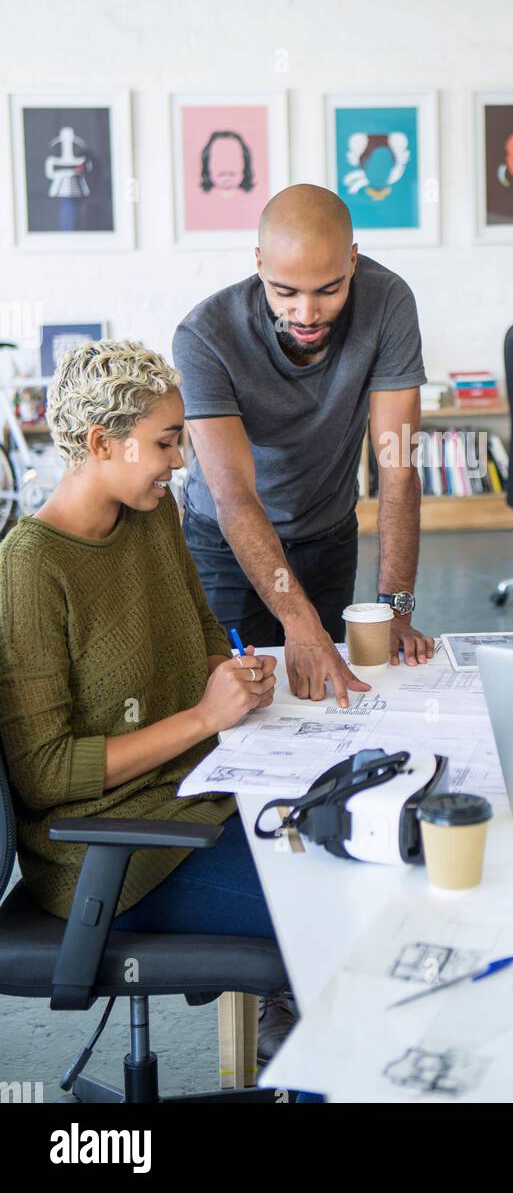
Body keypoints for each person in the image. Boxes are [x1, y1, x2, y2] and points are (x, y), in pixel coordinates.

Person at [0, 340, 296, 1061]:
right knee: (325, 918)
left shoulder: (152, 515)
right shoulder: (30, 569)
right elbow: (44, 773)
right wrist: (203, 717)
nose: (179, 461)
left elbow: (200, 635)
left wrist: (235, 675)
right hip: (112, 855)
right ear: (103, 443)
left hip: (201, 793)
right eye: (166, 442)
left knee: (352, 856)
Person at [173, 183, 434, 709]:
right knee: (238, 701)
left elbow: (399, 467)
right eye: (285, 292)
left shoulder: (389, 302)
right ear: (259, 263)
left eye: (329, 290)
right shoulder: (204, 336)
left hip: (327, 534)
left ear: (354, 261)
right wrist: (299, 620)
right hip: (225, 543)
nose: (307, 313)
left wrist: (396, 611)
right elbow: (234, 497)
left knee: (328, 696)